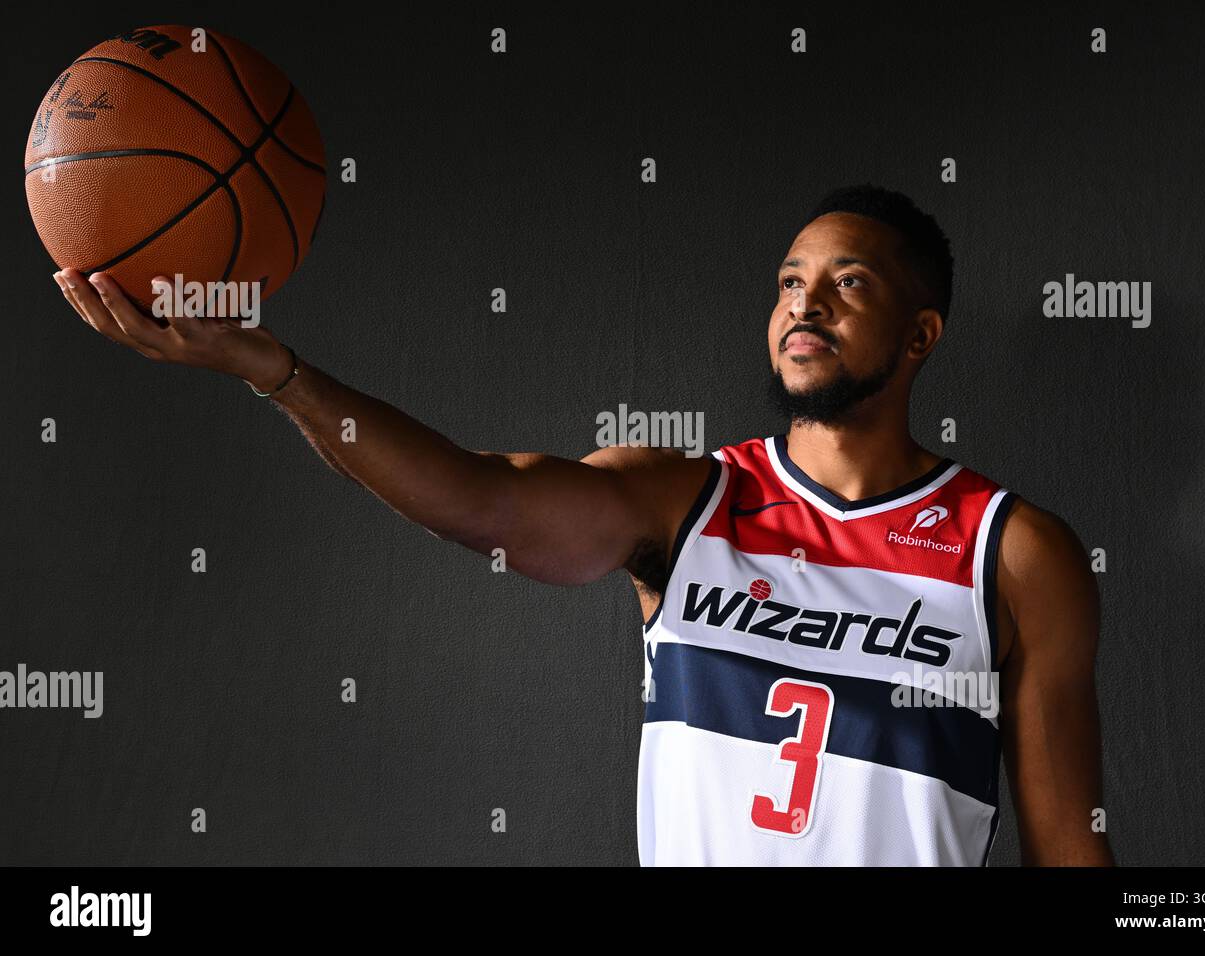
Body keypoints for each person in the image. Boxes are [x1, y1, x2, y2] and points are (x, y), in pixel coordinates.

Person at [52, 183, 1114, 866]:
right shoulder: (685, 497)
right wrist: (273, 371)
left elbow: (1068, 847)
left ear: (919, 332)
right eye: (789, 281)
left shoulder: (1011, 550)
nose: (805, 305)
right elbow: (481, 498)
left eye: (848, 284)